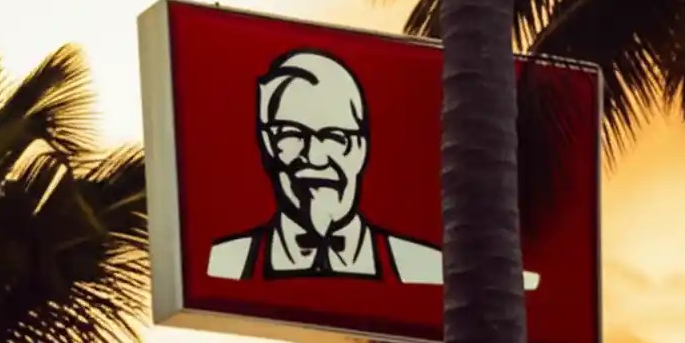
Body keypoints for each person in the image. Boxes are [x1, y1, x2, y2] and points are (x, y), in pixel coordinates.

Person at [207, 48, 541, 290]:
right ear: (267, 144)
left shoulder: (426, 269)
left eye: (334, 138)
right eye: (292, 136)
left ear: (360, 149)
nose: (315, 156)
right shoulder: (228, 263)